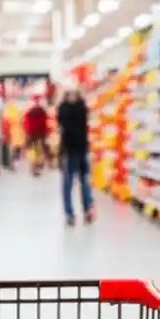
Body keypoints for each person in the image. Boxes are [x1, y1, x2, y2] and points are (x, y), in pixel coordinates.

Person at [57, 87, 93, 225]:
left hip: (72, 149)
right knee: (82, 180)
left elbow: (61, 125)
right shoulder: (82, 106)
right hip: (79, 148)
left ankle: (71, 213)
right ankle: (86, 209)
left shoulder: (64, 108)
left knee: (69, 182)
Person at [22, 95, 51, 176]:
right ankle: (38, 163)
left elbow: (26, 123)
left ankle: (33, 165)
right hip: (40, 133)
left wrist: (27, 132)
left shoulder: (28, 113)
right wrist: (45, 132)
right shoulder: (42, 112)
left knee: (32, 149)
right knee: (38, 148)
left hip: (31, 133)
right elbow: (45, 123)